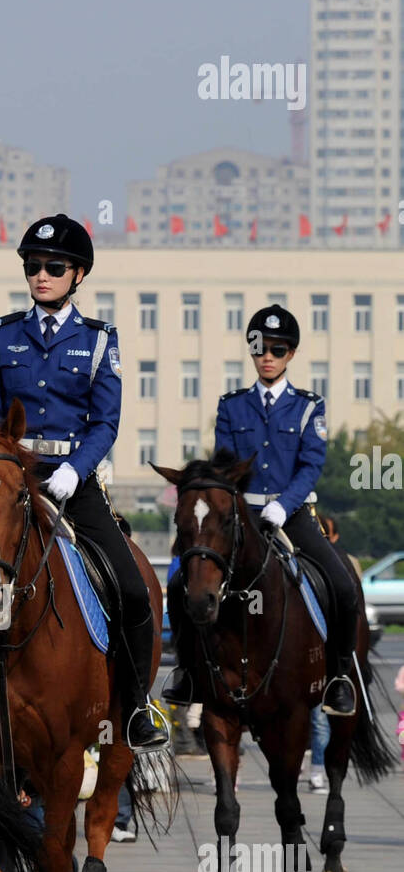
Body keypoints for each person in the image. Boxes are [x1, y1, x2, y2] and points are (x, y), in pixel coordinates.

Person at [0, 214, 168, 753]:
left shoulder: (100, 340)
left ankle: (135, 707)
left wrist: (73, 469)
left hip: (72, 483)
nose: (41, 276)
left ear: (78, 274)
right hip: (11, 479)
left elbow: (106, 422)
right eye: (33, 267)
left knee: (132, 590)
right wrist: (8, 463)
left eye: (53, 268)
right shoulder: (1, 336)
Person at [163, 305, 359, 717]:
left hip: (294, 515)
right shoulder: (232, 406)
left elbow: (310, 466)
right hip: (241, 515)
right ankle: (187, 671)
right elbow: (224, 466)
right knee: (183, 578)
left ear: (291, 354)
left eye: (277, 349)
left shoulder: (309, 406)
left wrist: (283, 506)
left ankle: (339, 676)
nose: (267, 356)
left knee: (341, 585)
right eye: (260, 349)